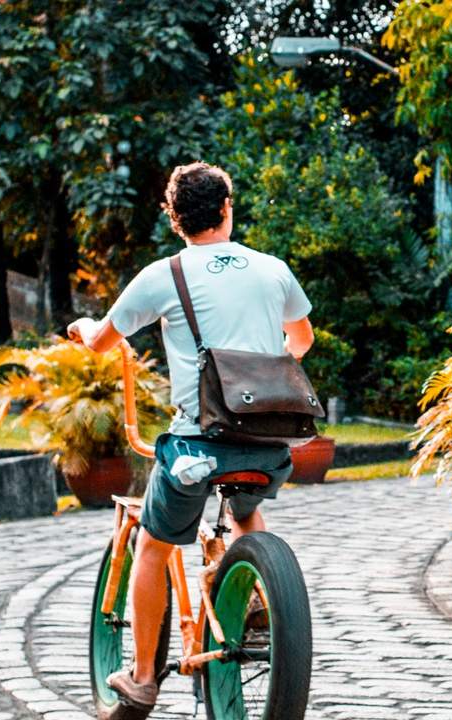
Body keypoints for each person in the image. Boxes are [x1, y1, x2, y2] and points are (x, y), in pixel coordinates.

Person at [66, 161, 314, 709]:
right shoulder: (273, 270)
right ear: (227, 209)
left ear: (175, 218)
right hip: (269, 448)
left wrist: (84, 328)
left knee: (153, 545)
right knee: (245, 510)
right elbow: (300, 340)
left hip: (194, 449)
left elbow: (103, 341)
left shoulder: (163, 276)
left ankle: (142, 678)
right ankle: (255, 597)